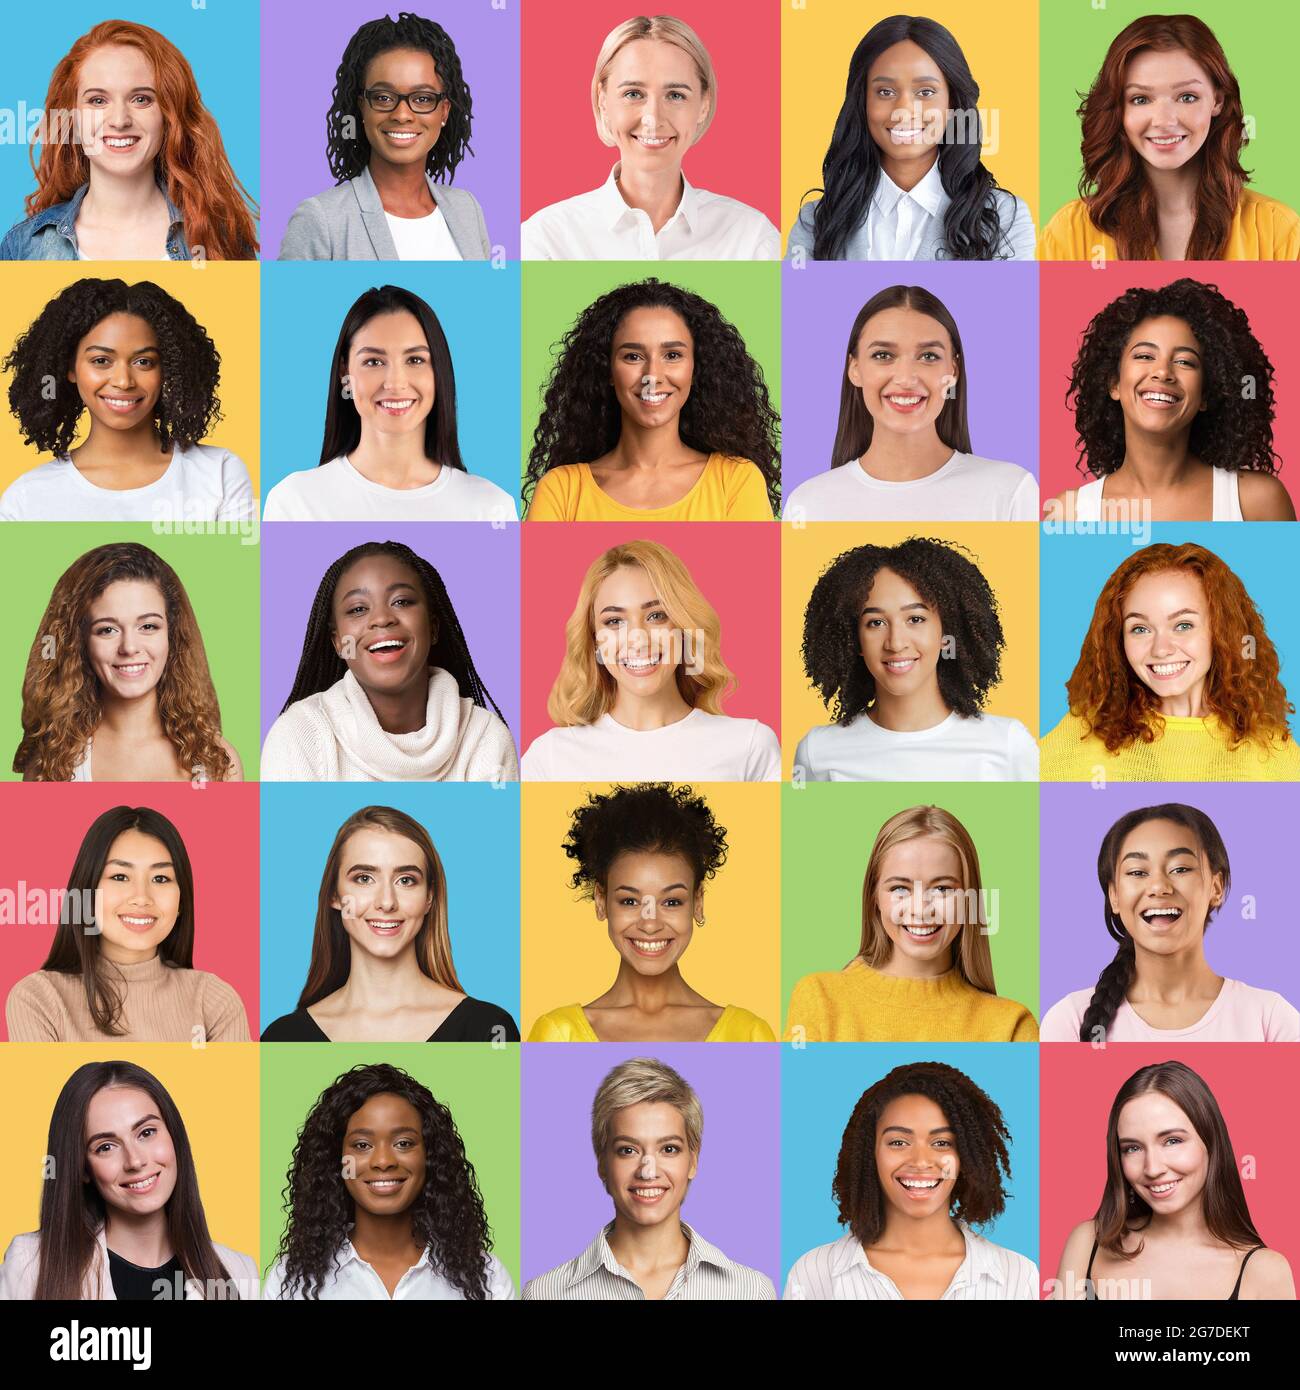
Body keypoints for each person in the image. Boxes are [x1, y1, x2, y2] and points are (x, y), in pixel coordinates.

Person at [1039, 14, 1300, 261]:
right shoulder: (1070, 233)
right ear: (1119, 109)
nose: (1164, 121)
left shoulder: (1278, 230)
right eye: (1140, 99)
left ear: (1217, 100)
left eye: (1187, 97)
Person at [527, 783, 774, 1042]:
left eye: (671, 902)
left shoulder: (749, 1034)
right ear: (601, 900)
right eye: (630, 901)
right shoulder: (558, 1034)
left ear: (697, 901)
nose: (650, 924)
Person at [522, 15, 777, 260]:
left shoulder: (753, 240)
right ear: (603, 101)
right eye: (633, 94)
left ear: (703, 105)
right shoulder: (547, 241)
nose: (653, 118)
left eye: (675, 95)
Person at [523, 278, 779, 521]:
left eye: (672, 355)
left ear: (696, 367)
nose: (652, 376)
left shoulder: (736, 481)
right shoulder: (561, 490)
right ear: (608, 370)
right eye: (633, 356)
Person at [261, 540, 518, 782]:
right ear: (339, 643)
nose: (382, 618)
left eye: (402, 601)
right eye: (358, 609)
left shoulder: (485, 737)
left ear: (433, 628)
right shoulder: (297, 735)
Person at [1039, 542, 1300, 780]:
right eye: (1140, 629)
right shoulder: (1085, 729)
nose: (1161, 649)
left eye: (1183, 625)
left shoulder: (1271, 745)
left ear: (1221, 631)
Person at [521, 540, 780, 780]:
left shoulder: (749, 746)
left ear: (683, 628)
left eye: (656, 616)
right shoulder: (551, 758)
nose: (638, 639)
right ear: (595, 641)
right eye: (614, 621)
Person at [0, 19, 257, 261]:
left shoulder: (220, 237)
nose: (120, 120)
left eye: (141, 99)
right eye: (98, 100)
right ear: (71, 117)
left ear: (169, 116)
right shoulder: (23, 246)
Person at [1, 278, 253, 522]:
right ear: (71, 368)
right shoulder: (26, 500)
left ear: (167, 370)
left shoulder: (219, 474)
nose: (123, 381)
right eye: (101, 361)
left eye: (144, 362)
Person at [1040, 804, 1298, 1042]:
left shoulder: (1270, 1019)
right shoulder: (1069, 1021)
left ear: (1216, 888)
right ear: (1114, 896)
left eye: (1180, 869)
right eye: (1138, 872)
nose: (1159, 887)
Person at [0, 1061, 258, 1299]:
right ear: (83, 1169)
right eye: (105, 1147)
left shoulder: (239, 1270)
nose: (135, 1161)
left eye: (146, 1132)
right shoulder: (30, 1263)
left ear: (173, 1136)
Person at [260, 805, 519, 1041]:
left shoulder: (490, 1029)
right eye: (364, 878)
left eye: (406, 880)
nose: (386, 902)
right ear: (334, 895)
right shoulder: (283, 1037)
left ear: (429, 897)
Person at [786, 16, 1034, 261]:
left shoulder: (1003, 217)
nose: (904, 109)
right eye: (885, 92)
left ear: (952, 104)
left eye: (926, 92)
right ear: (862, 103)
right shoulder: (816, 221)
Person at [522, 1058, 775, 1299]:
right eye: (627, 1150)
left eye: (669, 1149)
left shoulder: (751, 1291)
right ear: (602, 1163)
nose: (648, 1171)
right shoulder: (544, 1293)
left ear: (693, 1161)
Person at [782, 285, 1038, 521]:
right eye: (883, 355)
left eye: (929, 356)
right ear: (855, 369)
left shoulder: (1011, 491)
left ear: (953, 371)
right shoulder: (809, 504)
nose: (906, 379)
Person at [785, 1062, 1038, 1299]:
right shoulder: (814, 1274)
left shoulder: (1017, 1276)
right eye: (898, 1142)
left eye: (941, 1143)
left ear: (966, 1156)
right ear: (869, 1153)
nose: (920, 1161)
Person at [261, 285, 516, 521]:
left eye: (415, 360)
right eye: (373, 362)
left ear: (439, 371)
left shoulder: (490, 507)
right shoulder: (294, 503)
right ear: (344, 373)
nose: (395, 383)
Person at [785, 806, 1037, 1042]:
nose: (920, 910)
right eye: (900, 888)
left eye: (942, 888)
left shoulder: (1011, 1026)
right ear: (875, 897)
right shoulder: (819, 998)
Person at [1049, 279, 1292, 523]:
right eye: (1145, 355)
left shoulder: (1258, 503)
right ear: (1114, 383)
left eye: (1185, 361)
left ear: (1205, 395)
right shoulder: (1069, 514)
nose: (1163, 372)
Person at [794, 538, 1038, 781]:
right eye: (876, 623)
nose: (896, 643)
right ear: (854, 640)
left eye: (915, 619)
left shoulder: (1007, 745)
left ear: (946, 633)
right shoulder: (817, 753)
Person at [264, 1063, 513, 1299]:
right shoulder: (289, 1280)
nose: (383, 1161)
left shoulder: (488, 1278)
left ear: (429, 1156)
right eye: (362, 1145)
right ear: (336, 1161)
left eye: (403, 1143)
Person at [5, 805, 248, 1043]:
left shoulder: (215, 1001)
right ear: (86, 892)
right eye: (120, 877)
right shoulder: (39, 999)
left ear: (181, 899)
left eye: (161, 878)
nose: (141, 897)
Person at [1052, 1061, 1295, 1299]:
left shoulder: (1265, 1272)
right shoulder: (1088, 1242)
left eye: (1172, 1141)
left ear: (1210, 1142)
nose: (1153, 1168)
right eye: (1133, 1148)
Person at [14, 542, 242, 783]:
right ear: (80, 642)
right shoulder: (51, 763)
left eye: (148, 626)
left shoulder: (217, 761)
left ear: (172, 635)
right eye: (107, 629)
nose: (129, 648)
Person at [278, 13, 490, 260]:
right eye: (383, 97)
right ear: (362, 108)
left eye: (422, 99)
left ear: (444, 111)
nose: (402, 114)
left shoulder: (467, 209)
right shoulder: (321, 218)